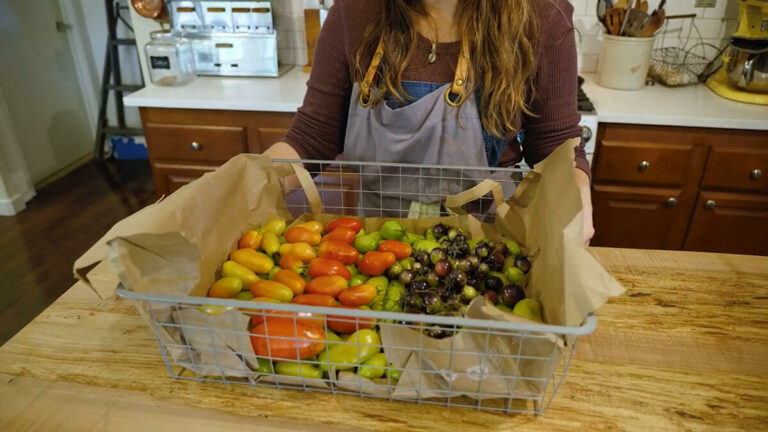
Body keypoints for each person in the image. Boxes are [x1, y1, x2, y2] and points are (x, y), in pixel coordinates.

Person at [266, 0, 594, 244]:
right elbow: (311, 137)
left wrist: (575, 197)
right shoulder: (356, 11)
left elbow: (554, 146)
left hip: (488, 247)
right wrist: (248, 184)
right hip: (377, 249)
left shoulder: (541, 15)